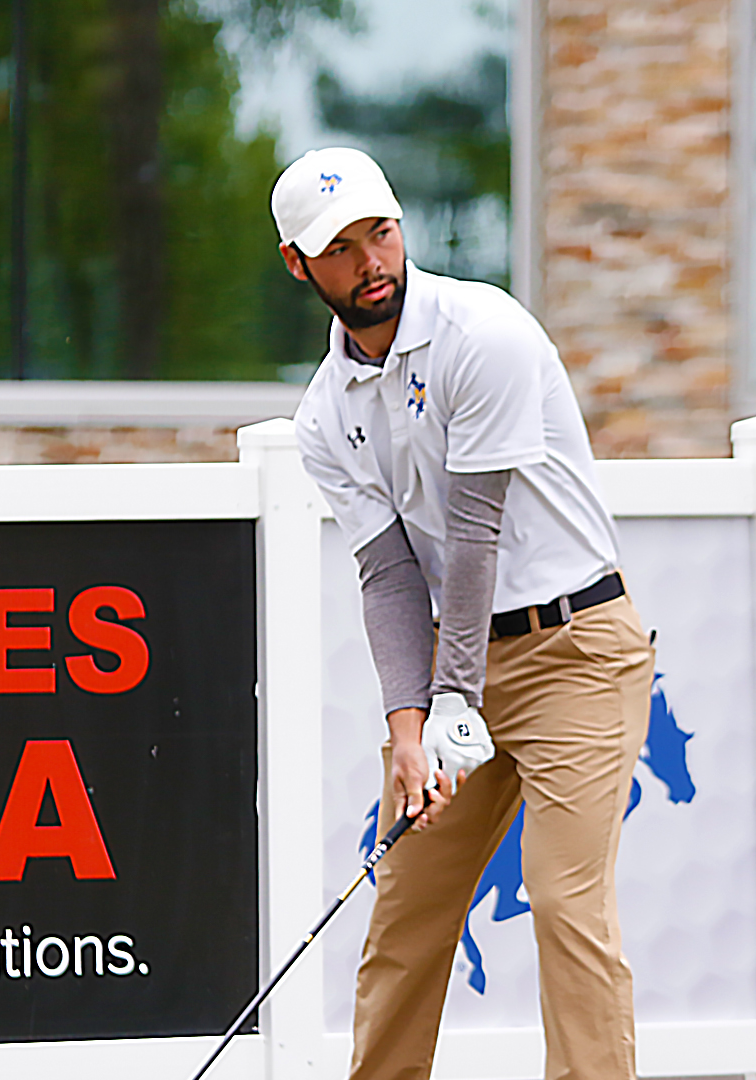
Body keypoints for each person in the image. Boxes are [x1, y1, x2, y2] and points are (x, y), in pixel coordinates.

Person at [274, 145, 655, 1080]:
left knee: (567, 907)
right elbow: (391, 574)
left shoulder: (485, 331)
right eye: (342, 248)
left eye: (382, 232)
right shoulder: (323, 417)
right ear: (299, 264)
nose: (372, 262)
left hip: (575, 651)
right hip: (460, 668)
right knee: (405, 912)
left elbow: (475, 530)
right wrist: (411, 730)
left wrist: (451, 698)